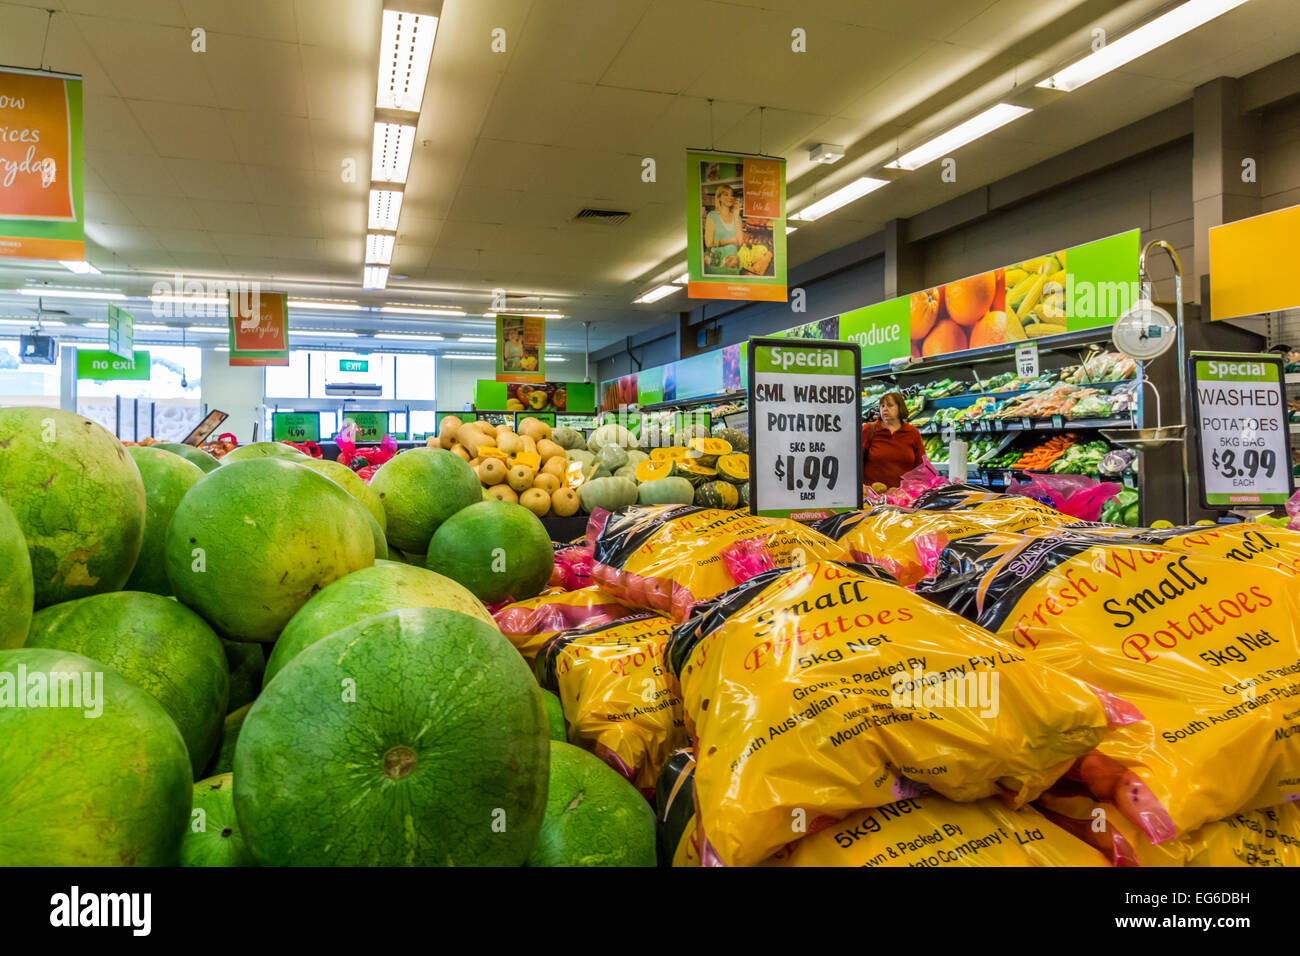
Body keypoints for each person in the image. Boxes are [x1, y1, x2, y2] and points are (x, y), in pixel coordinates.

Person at [862, 391, 925, 490]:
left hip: (904, 495)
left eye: (890, 405)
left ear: (900, 408)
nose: (885, 409)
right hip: (873, 496)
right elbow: (854, 462)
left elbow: (921, 466)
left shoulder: (912, 433)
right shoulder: (869, 429)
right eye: (882, 406)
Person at [704, 184, 742, 269]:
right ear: (719, 198)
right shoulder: (712, 216)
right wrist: (731, 240)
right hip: (716, 262)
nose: (730, 197)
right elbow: (709, 243)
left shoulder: (737, 217)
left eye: (731, 195)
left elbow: (739, 242)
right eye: (726, 194)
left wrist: (736, 214)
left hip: (733, 263)